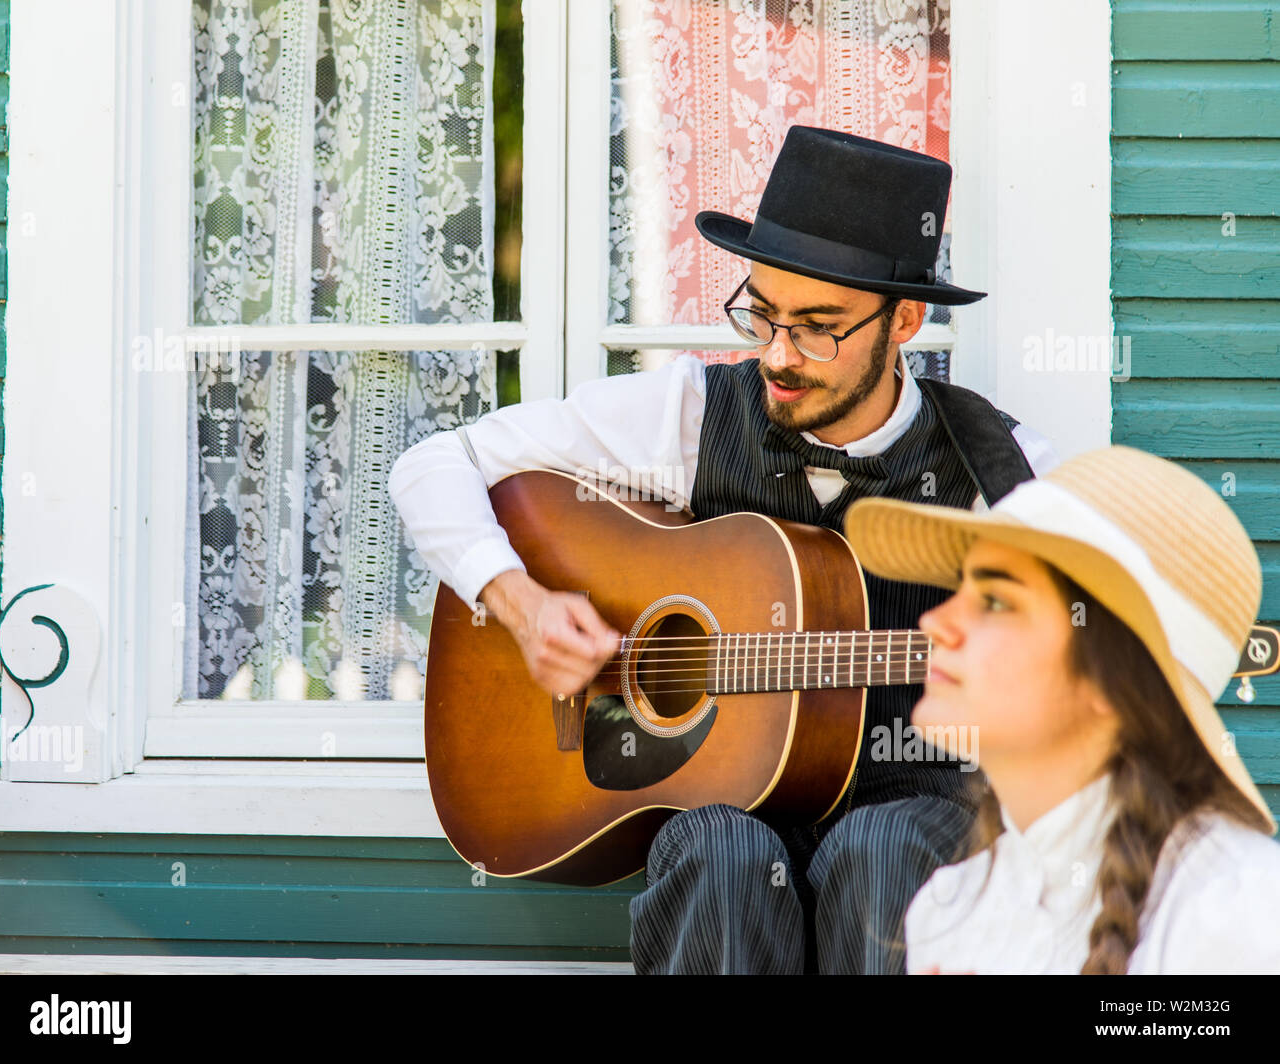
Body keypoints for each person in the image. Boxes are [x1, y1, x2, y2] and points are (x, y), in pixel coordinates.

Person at [388, 126, 1059, 973]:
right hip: (732, 802)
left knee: (879, 854)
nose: (778, 355)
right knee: (718, 854)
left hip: (914, 801)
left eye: (819, 328)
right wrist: (521, 603)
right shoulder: (695, 412)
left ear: (907, 320)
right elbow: (434, 464)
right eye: (764, 314)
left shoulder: (1002, 470)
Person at [844, 445, 1280, 974]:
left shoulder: (1242, 913)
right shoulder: (947, 910)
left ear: (1112, 680)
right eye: (959, 588)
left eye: (997, 601)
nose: (936, 622)